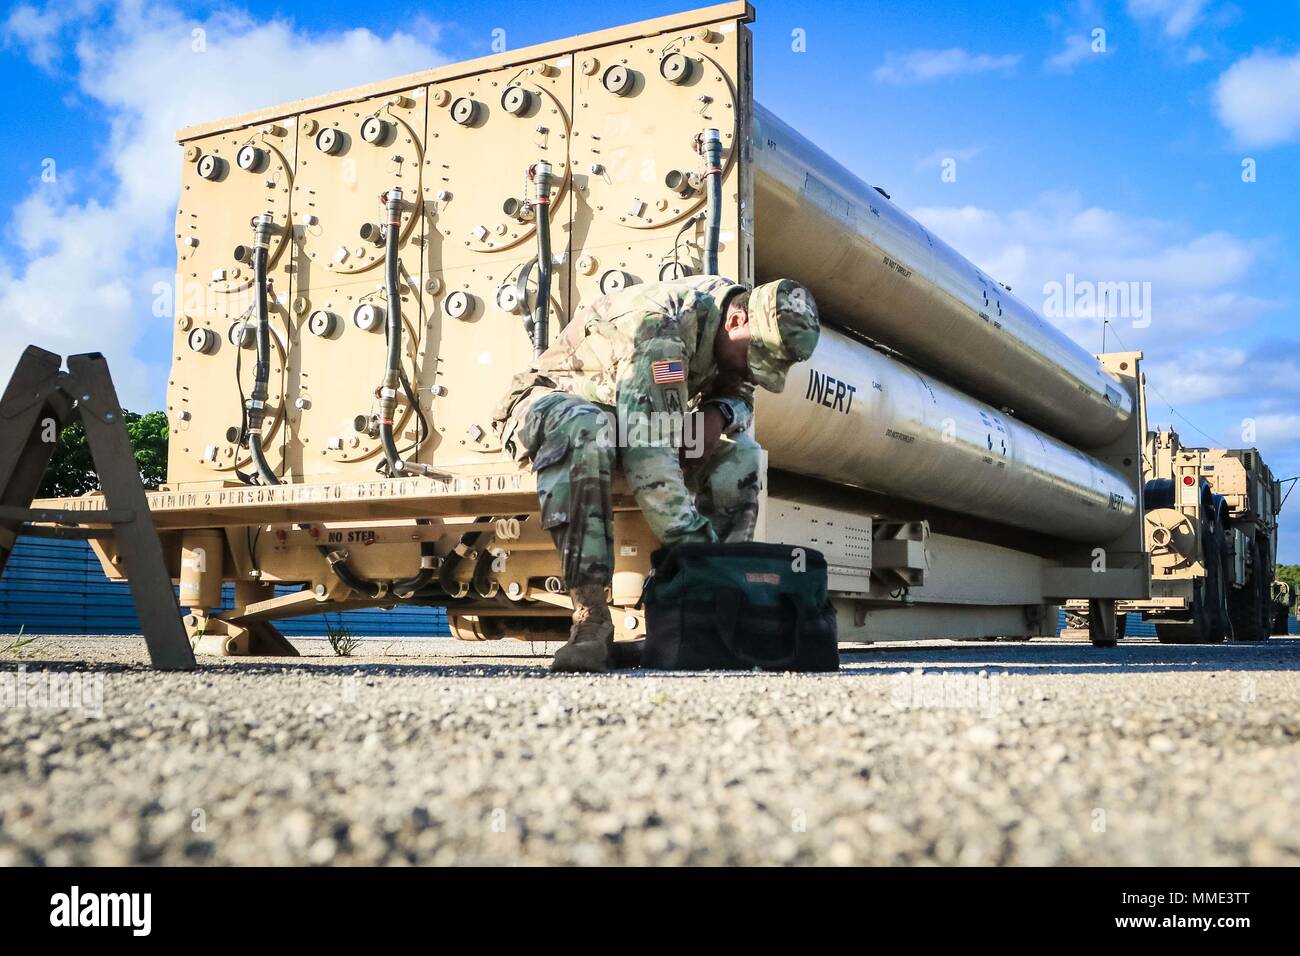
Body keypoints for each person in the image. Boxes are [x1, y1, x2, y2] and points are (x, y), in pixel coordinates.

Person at [493, 275, 820, 672]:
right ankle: (591, 620)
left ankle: (707, 617)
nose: (754, 371)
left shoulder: (730, 322)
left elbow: (740, 393)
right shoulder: (662, 325)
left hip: (630, 417)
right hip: (555, 403)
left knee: (741, 456)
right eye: (756, 357)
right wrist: (702, 548)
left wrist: (719, 414)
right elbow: (648, 454)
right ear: (737, 322)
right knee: (586, 429)